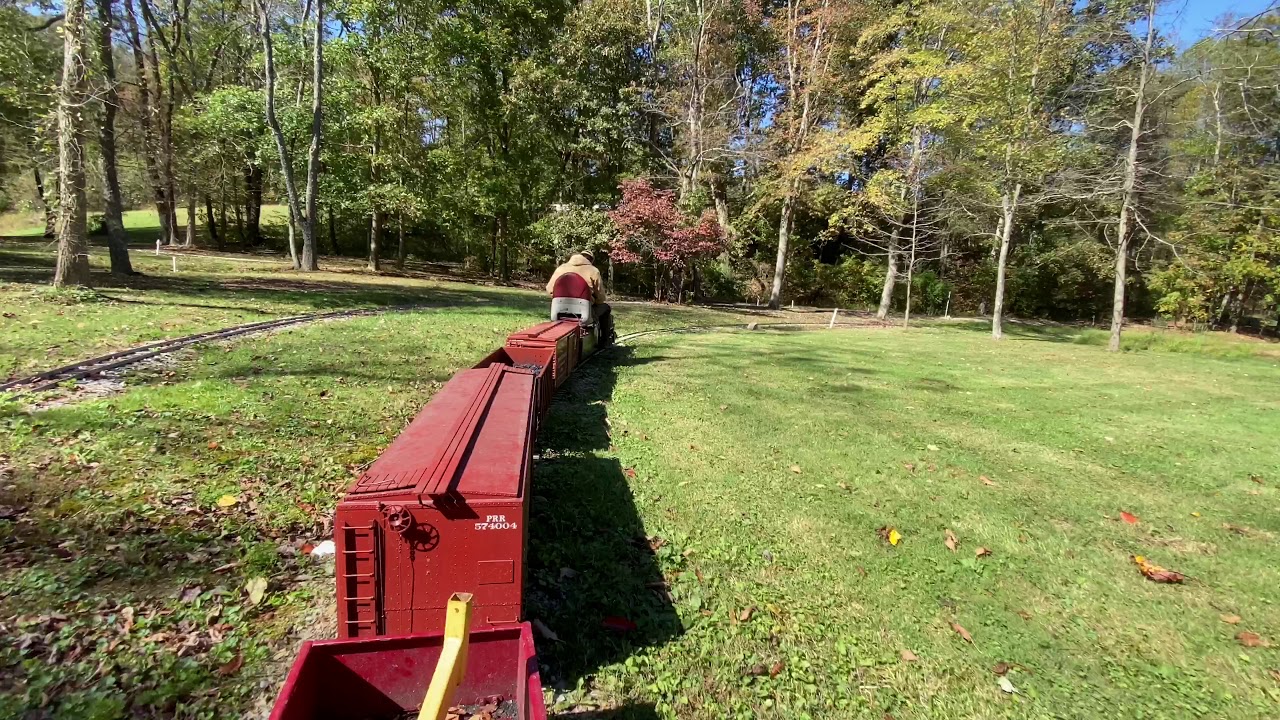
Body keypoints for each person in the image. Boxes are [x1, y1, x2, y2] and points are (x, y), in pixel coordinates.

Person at [547, 250, 614, 342]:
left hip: (559, 310)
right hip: (584, 312)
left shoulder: (561, 268)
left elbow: (549, 289)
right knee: (606, 308)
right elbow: (601, 298)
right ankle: (605, 342)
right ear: (591, 260)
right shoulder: (593, 270)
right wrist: (593, 300)